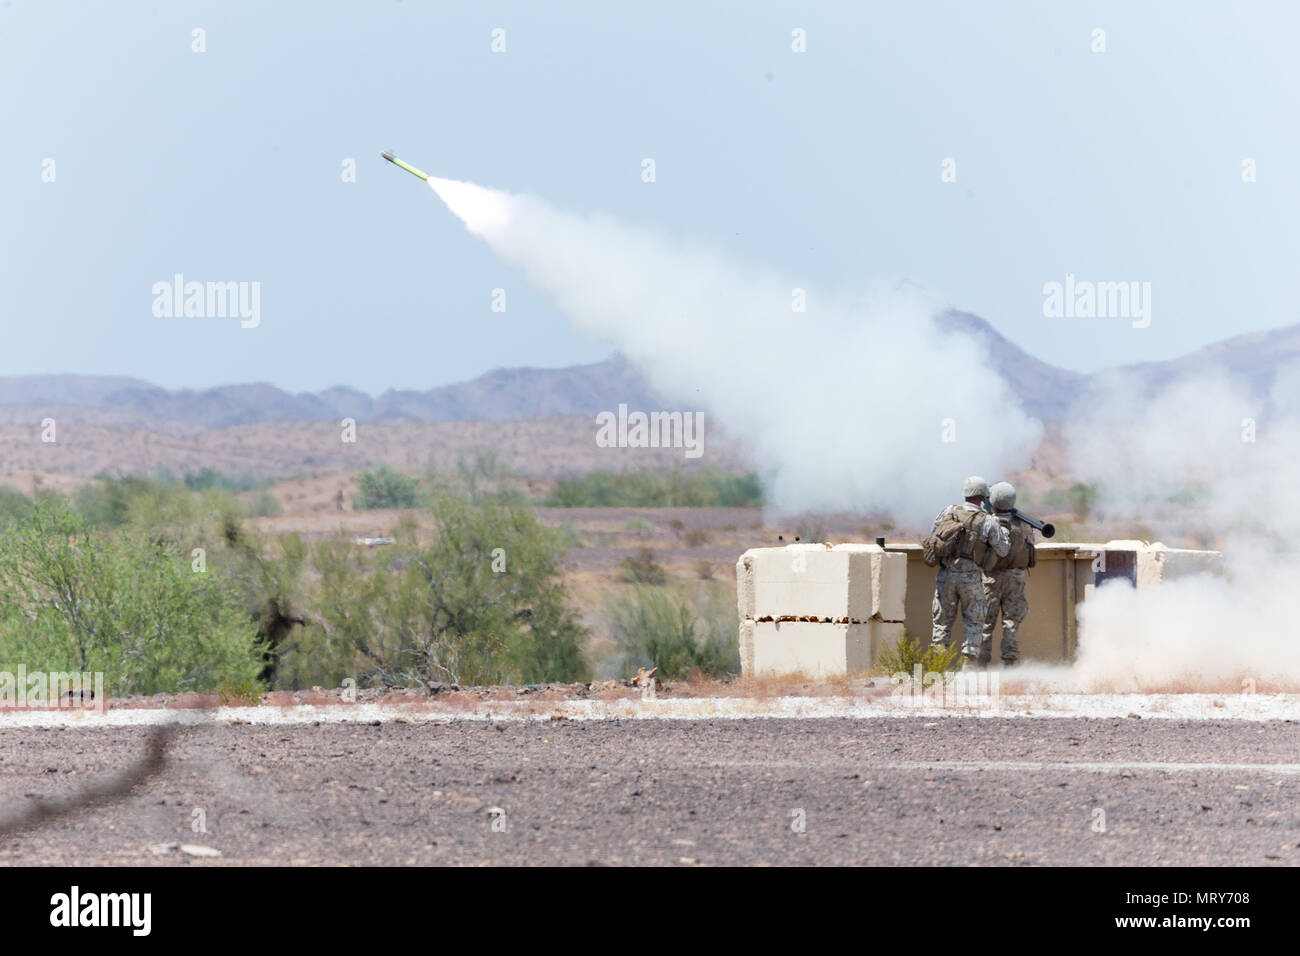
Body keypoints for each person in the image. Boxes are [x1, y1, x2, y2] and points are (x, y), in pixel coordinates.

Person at [929, 476, 1011, 665]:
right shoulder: (987, 521)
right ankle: (969, 668)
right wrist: (1003, 529)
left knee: (941, 622)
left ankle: (939, 668)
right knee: (974, 621)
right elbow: (1003, 550)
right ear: (983, 497)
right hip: (971, 576)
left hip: (946, 573)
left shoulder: (949, 511)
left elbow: (933, 534)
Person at [980, 481, 1034, 667]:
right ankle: (1009, 664)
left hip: (991, 578)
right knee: (1011, 623)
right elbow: (1030, 545)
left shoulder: (989, 522)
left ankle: (980, 665)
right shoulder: (1024, 525)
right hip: (1015, 578)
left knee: (985, 623)